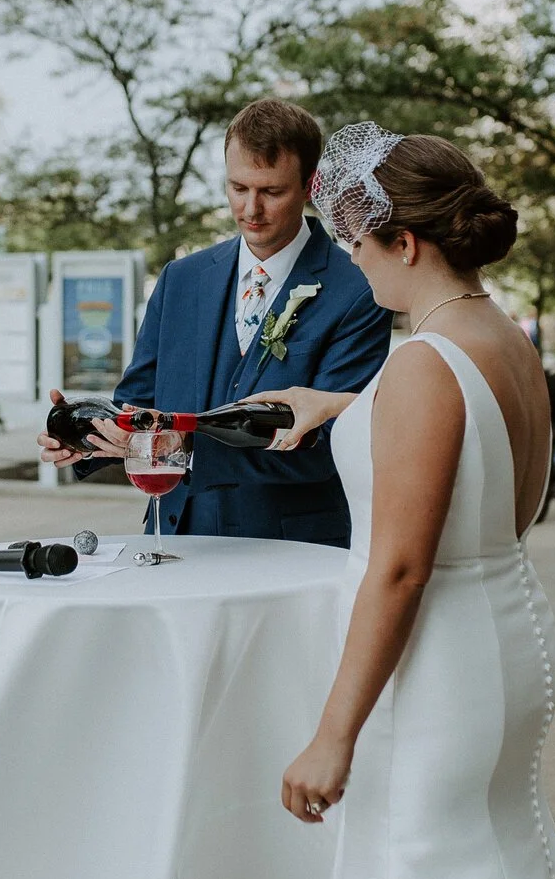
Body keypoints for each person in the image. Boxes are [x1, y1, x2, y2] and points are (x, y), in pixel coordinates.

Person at [251, 123, 555, 879]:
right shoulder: (503, 340)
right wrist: (336, 405)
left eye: (358, 245)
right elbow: (467, 449)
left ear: (404, 241)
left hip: (436, 662)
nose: (352, 264)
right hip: (504, 633)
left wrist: (334, 734)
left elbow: (402, 568)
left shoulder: (421, 364)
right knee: (491, 854)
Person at [38, 99, 392, 548]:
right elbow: (138, 403)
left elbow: (329, 445)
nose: (251, 208)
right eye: (237, 187)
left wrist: (178, 453)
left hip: (294, 548)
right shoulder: (180, 280)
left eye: (271, 191)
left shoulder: (359, 290)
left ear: (310, 186)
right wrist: (87, 439)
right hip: (175, 535)